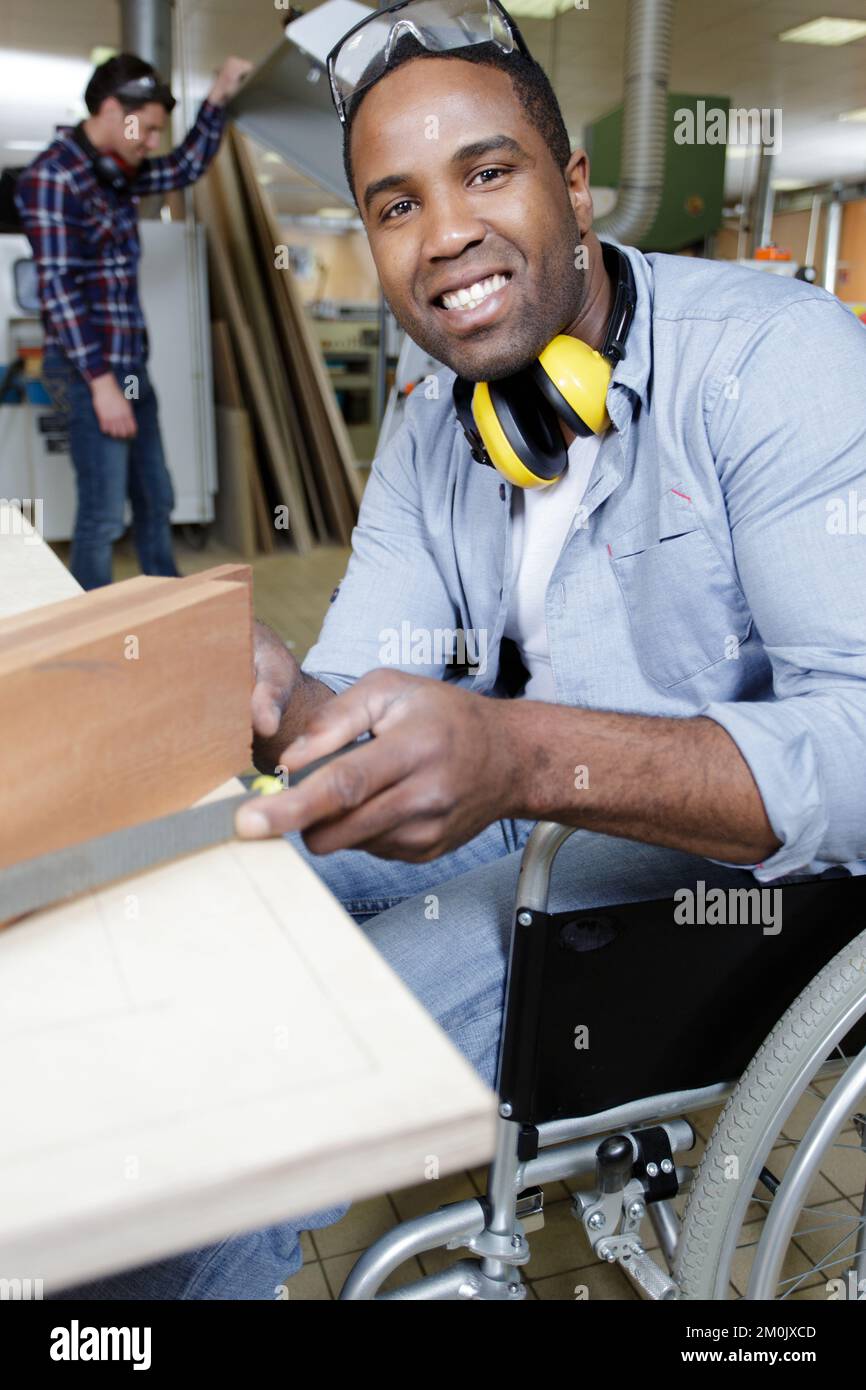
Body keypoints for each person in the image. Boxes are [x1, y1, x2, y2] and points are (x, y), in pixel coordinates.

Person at [52, 0, 866, 1298]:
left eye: (486, 171)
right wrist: (274, 703)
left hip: (715, 886)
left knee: (269, 1066)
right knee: (188, 921)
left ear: (576, 183)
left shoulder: (777, 366)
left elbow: (860, 756)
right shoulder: (439, 418)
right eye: (393, 204)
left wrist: (517, 750)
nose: (445, 237)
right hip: (518, 815)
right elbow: (371, 681)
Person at [15, 51, 251, 590]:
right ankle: (95, 632)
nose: (150, 143)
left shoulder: (118, 175)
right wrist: (101, 385)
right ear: (111, 108)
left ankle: (166, 603)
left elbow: (186, 166)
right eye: (145, 129)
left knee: (156, 494)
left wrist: (216, 97)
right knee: (102, 514)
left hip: (128, 367)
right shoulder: (53, 177)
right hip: (86, 371)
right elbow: (58, 290)